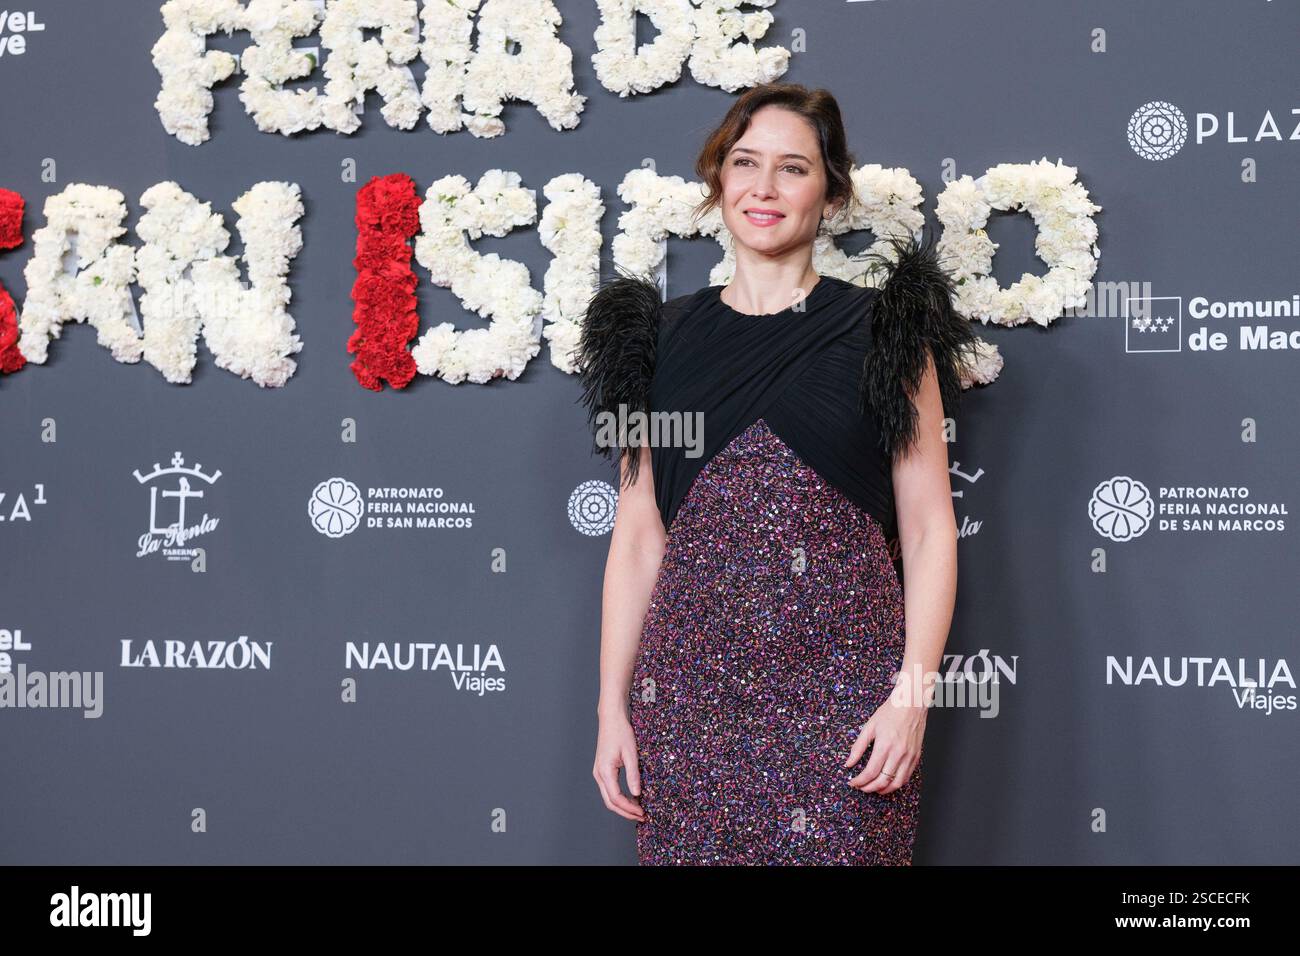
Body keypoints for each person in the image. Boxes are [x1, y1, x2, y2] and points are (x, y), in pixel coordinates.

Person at [574, 82, 979, 865]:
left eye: (793, 168)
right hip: (688, 698)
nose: (764, 188)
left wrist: (912, 699)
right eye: (744, 163)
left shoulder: (887, 332)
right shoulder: (647, 339)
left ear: (830, 194)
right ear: (718, 181)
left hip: (846, 689)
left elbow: (930, 530)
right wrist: (611, 708)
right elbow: (636, 540)